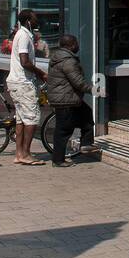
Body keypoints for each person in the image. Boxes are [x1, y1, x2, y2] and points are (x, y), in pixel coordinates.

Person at [46, 35, 96, 167]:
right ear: (72, 45)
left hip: (67, 98)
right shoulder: (68, 61)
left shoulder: (57, 57)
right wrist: (94, 90)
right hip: (66, 99)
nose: (78, 46)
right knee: (63, 130)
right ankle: (58, 160)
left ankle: (86, 144)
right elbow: (78, 82)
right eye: (77, 43)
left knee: (86, 115)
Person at [6, 8, 47, 165]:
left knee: (21, 119)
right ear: (29, 21)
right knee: (31, 118)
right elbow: (25, 61)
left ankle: (19, 154)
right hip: (23, 83)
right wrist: (41, 73)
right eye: (35, 18)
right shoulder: (23, 36)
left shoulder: (22, 35)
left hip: (18, 82)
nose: (37, 20)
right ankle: (26, 154)